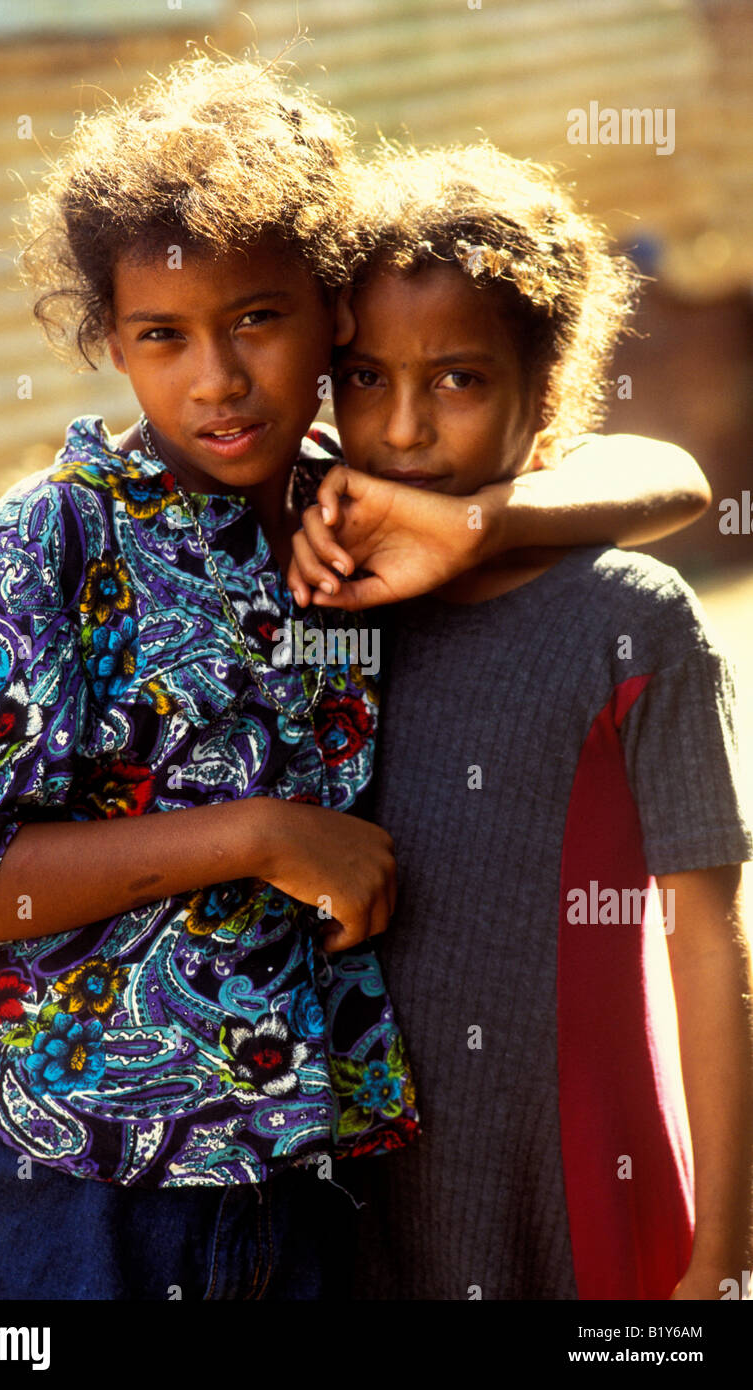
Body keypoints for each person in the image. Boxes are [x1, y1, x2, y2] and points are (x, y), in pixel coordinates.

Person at [0, 63, 711, 1301]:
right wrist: (260, 836)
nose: (215, 379)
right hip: (55, 1196)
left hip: (299, 1192)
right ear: (110, 342)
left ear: (331, 312)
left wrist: (480, 523)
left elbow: (667, 478)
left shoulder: (351, 509)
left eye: (257, 320)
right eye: (161, 338)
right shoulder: (56, 543)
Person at [287, 142, 753, 1300]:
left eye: (458, 379)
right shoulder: (303, 590)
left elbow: (705, 946)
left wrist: (723, 1255)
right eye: (361, 377)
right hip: (345, 1216)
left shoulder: (625, 620)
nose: (399, 429)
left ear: (544, 400)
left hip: (589, 1204)